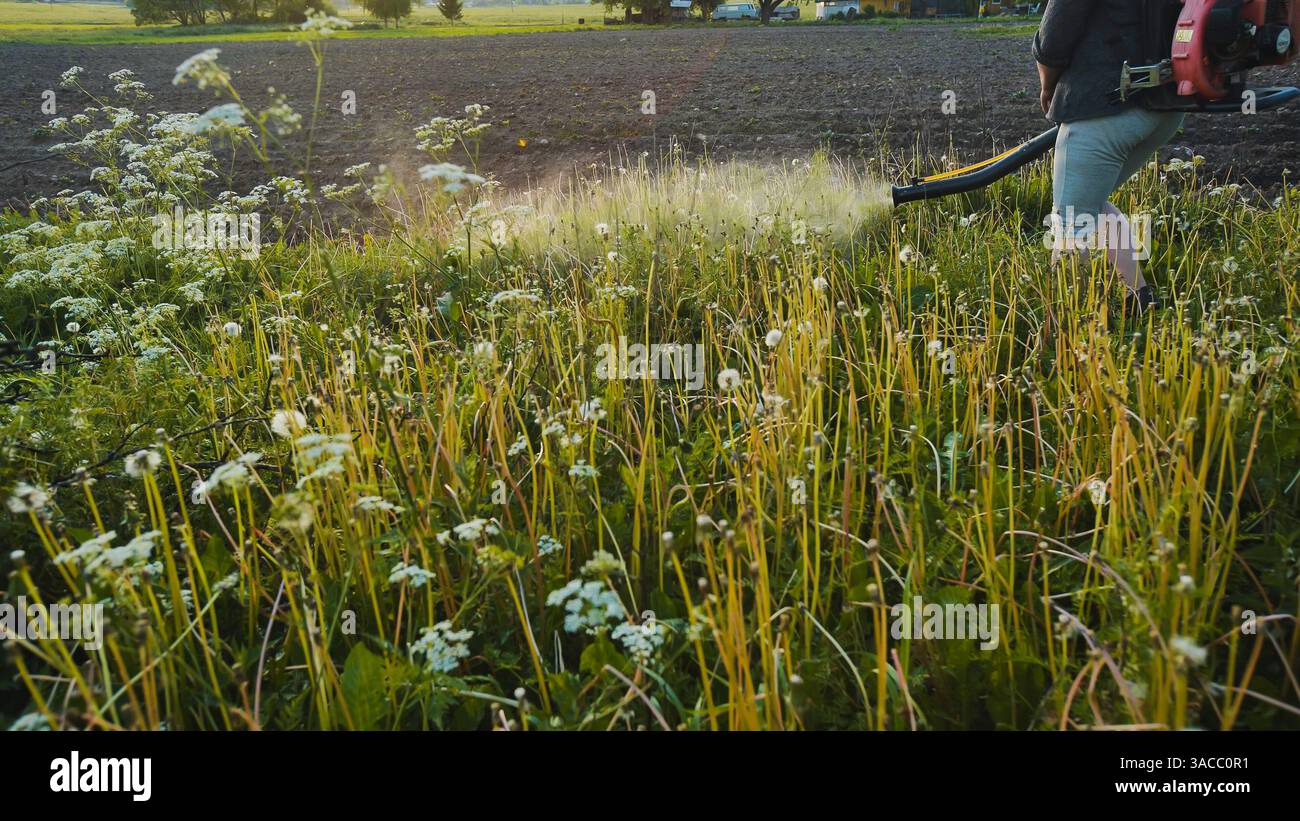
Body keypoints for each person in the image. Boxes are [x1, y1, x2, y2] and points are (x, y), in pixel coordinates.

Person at [1034, 0, 1185, 312]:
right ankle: (1139, 298)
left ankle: (1066, 331)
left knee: (1071, 223)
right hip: (1166, 108)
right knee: (1091, 201)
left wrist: (1048, 86)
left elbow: (1052, 42)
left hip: (1106, 108)